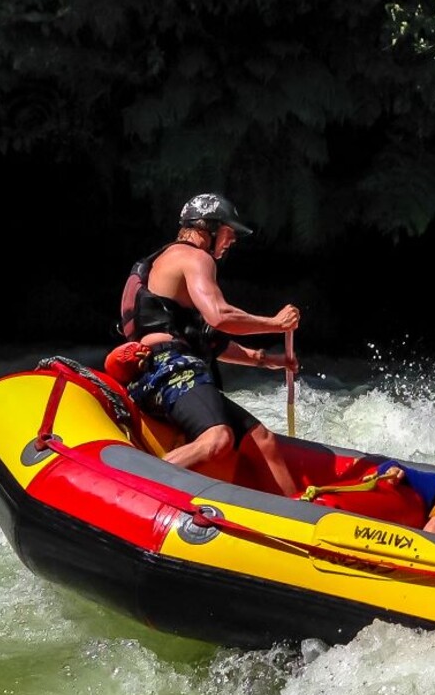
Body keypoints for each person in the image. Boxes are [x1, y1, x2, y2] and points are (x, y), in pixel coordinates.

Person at [114, 192, 300, 496]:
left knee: (262, 439)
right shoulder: (194, 257)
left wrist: (268, 359)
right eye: (228, 232)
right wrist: (275, 324)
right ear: (208, 228)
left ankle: (298, 520)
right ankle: (132, 489)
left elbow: (211, 341)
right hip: (170, 370)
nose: (232, 240)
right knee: (218, 439)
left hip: (166, 370)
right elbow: (219, 316)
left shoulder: (168, 264)